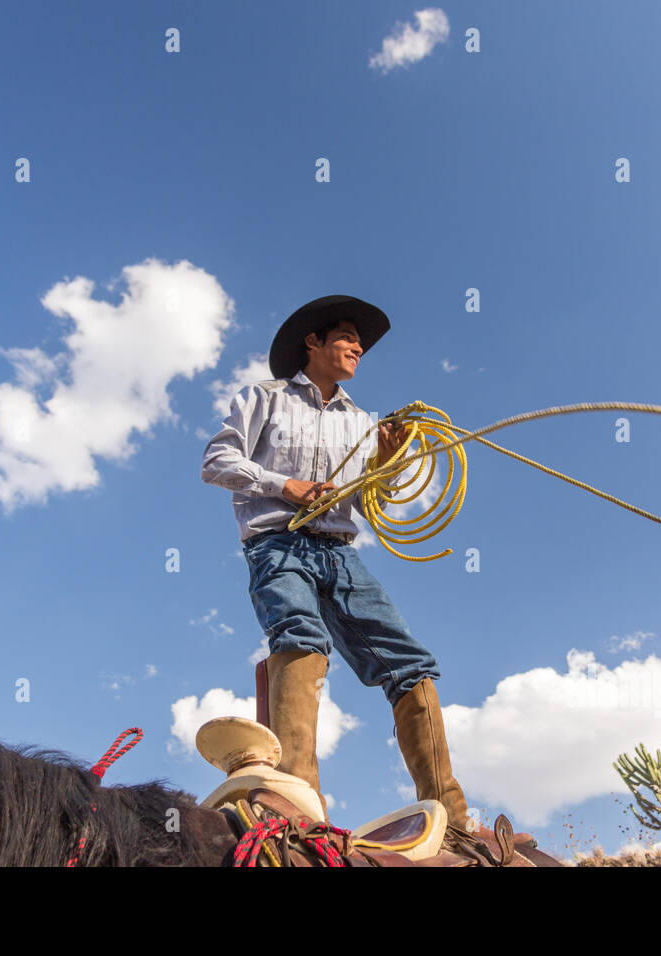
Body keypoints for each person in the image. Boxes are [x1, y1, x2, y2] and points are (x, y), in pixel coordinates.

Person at [200, 293, 470, 836]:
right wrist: (286, 485)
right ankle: (300, 808)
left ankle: (454, 818)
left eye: (361, 343)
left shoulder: (363, 423)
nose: (358, 347)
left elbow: (376, 493)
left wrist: (389, 460)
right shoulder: (264, 398)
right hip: (278, 542)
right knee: (300, 637)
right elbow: (218, 461)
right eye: (347, 337)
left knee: (409, 662)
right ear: (313, 342)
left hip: (341, 553)